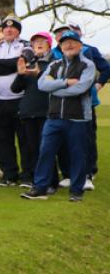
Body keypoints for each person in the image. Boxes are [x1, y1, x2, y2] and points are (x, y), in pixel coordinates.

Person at [22, 31, 97, 201]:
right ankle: (40, 188)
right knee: (45, 152)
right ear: (60, 46)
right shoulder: (54, 64)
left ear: (80, 45)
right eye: (65, 43)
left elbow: (80, 88)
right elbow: (42, 84)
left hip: (77, 118)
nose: (69, 45)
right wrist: (64, 82)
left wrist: (54, 88)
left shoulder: (87, 65)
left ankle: (76, 191)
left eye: (72, 42)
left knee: (77, 155)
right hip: (54, 117)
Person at [0, 17, 31, 187]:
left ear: (18, 31)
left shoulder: (26, 45)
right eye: (6, 29)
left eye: (13, 29)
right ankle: (9, 175)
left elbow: (23, 61)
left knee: (24, 140)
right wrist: (13, 65)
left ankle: (27, 175)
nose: (9, 31)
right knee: (2, 139)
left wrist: (3, 65)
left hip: (19, 100)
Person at [12, 32, 54, 188]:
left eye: (42, 41)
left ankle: (50, 182)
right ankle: (38, 180)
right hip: (29, 112)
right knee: (33, 149)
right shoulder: (29, 64)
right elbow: (15, 88)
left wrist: (39, 74)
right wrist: (20, 74)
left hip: (47, 112)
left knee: (47, 149)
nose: (39, 44)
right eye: (35, 42)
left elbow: (55, 82)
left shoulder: (55, 63)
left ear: (49, 45)